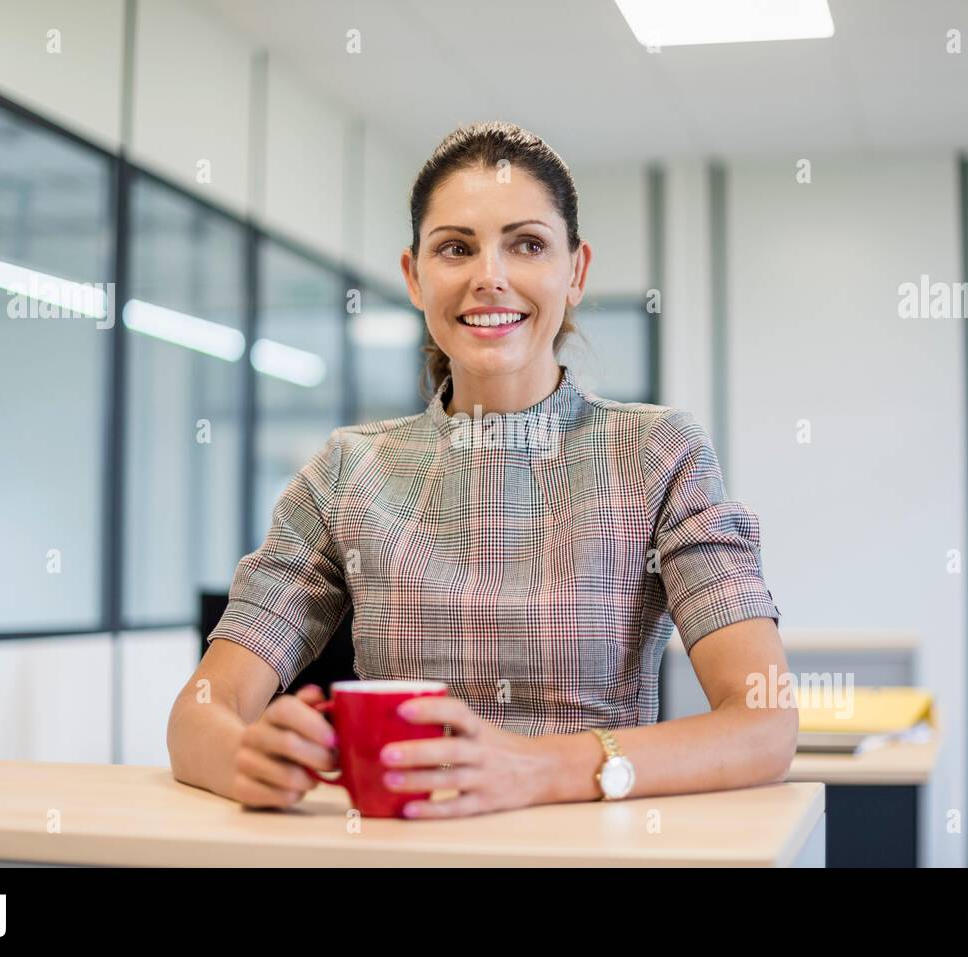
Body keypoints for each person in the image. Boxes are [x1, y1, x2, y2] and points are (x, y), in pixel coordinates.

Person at [167, 120, 797, 819]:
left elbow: (764, 723)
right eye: (455, 248)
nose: (489, 277)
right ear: (414, 276)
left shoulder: (658, 453)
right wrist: (244, 756)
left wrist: (534, 768)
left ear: (576, 271)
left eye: (526, 244)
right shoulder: (349, 470)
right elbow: (201, 711)